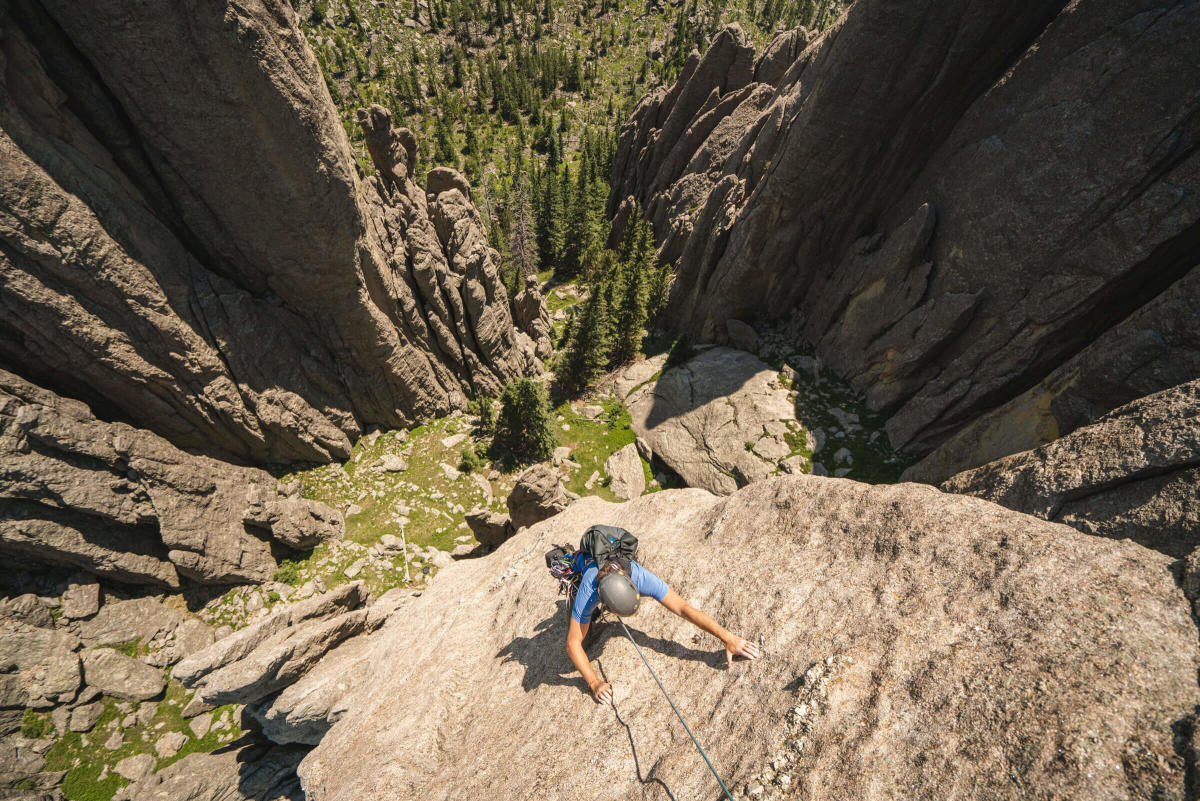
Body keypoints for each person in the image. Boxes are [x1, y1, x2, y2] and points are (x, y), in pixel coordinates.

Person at [565, 553, 761, 704]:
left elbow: (684, 608)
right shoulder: (589, 593)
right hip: (586, 568)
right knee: (585, 641)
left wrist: (727, 638)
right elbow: (573, 644)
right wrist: (594, 683)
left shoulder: (640, 577)